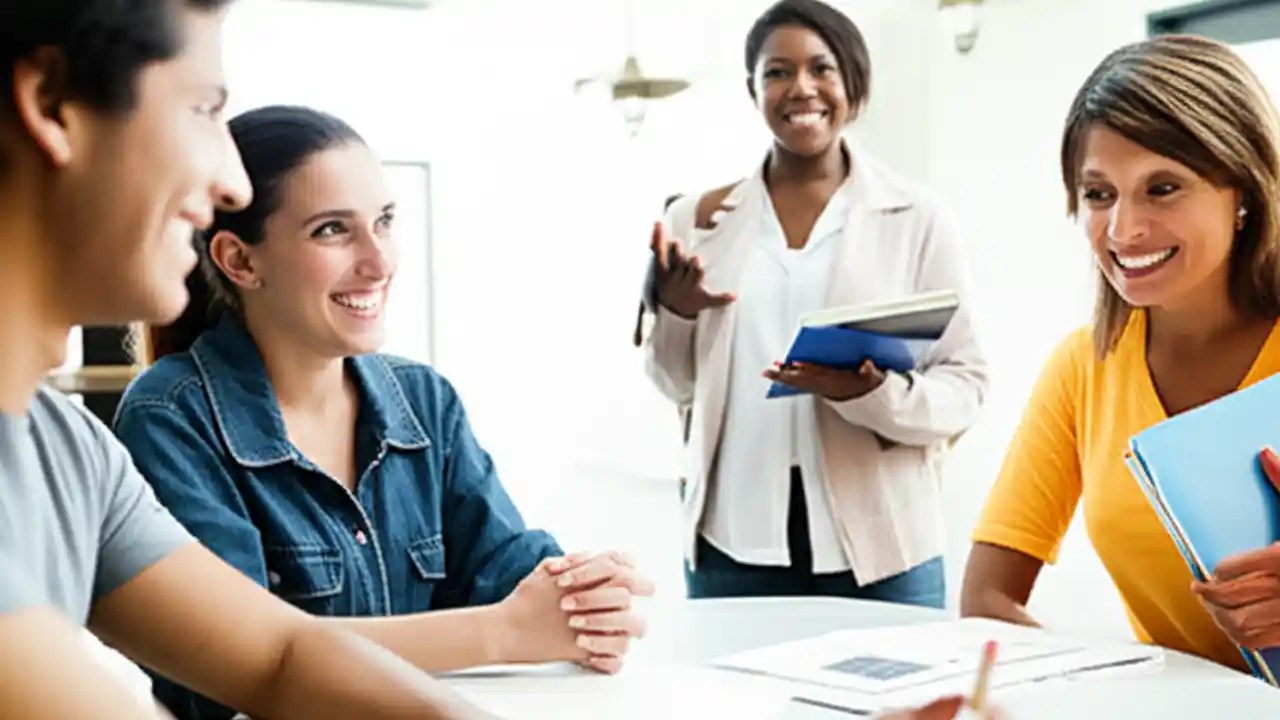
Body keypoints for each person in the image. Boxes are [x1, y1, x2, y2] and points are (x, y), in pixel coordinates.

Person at [0, 1, 532, 717]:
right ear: (52, 106)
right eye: (203, 109)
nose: (233, 183)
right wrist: (498, 633)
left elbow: (280, 654)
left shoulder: (70, 451)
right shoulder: (164, 413)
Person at [112, 104, 653, 719]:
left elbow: (507, 575)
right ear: (240, 260)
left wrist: (584, 599)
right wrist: (505, 632)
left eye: (385, 221)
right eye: (332, 231)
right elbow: (223, 670)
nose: (379, 261)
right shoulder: (171, 417)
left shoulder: (424, 401)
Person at [641, 0, 987, 604]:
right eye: (777, 71)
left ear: (854, 83)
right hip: (734, 542)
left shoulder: (918, 217)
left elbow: (966, 386)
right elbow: (676, 385)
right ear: (754, 91)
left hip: (883, 548)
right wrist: (677, 312)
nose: (801, 88)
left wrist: (872, 394)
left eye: (821, 69)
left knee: (897, 702)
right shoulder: (695, 218)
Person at [961, 34, 1280, 672]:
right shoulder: (1083, 368)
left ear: (1243, 191)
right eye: (1099, 193)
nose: (1122, 230)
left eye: (1162, 188)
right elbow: (986, 597)